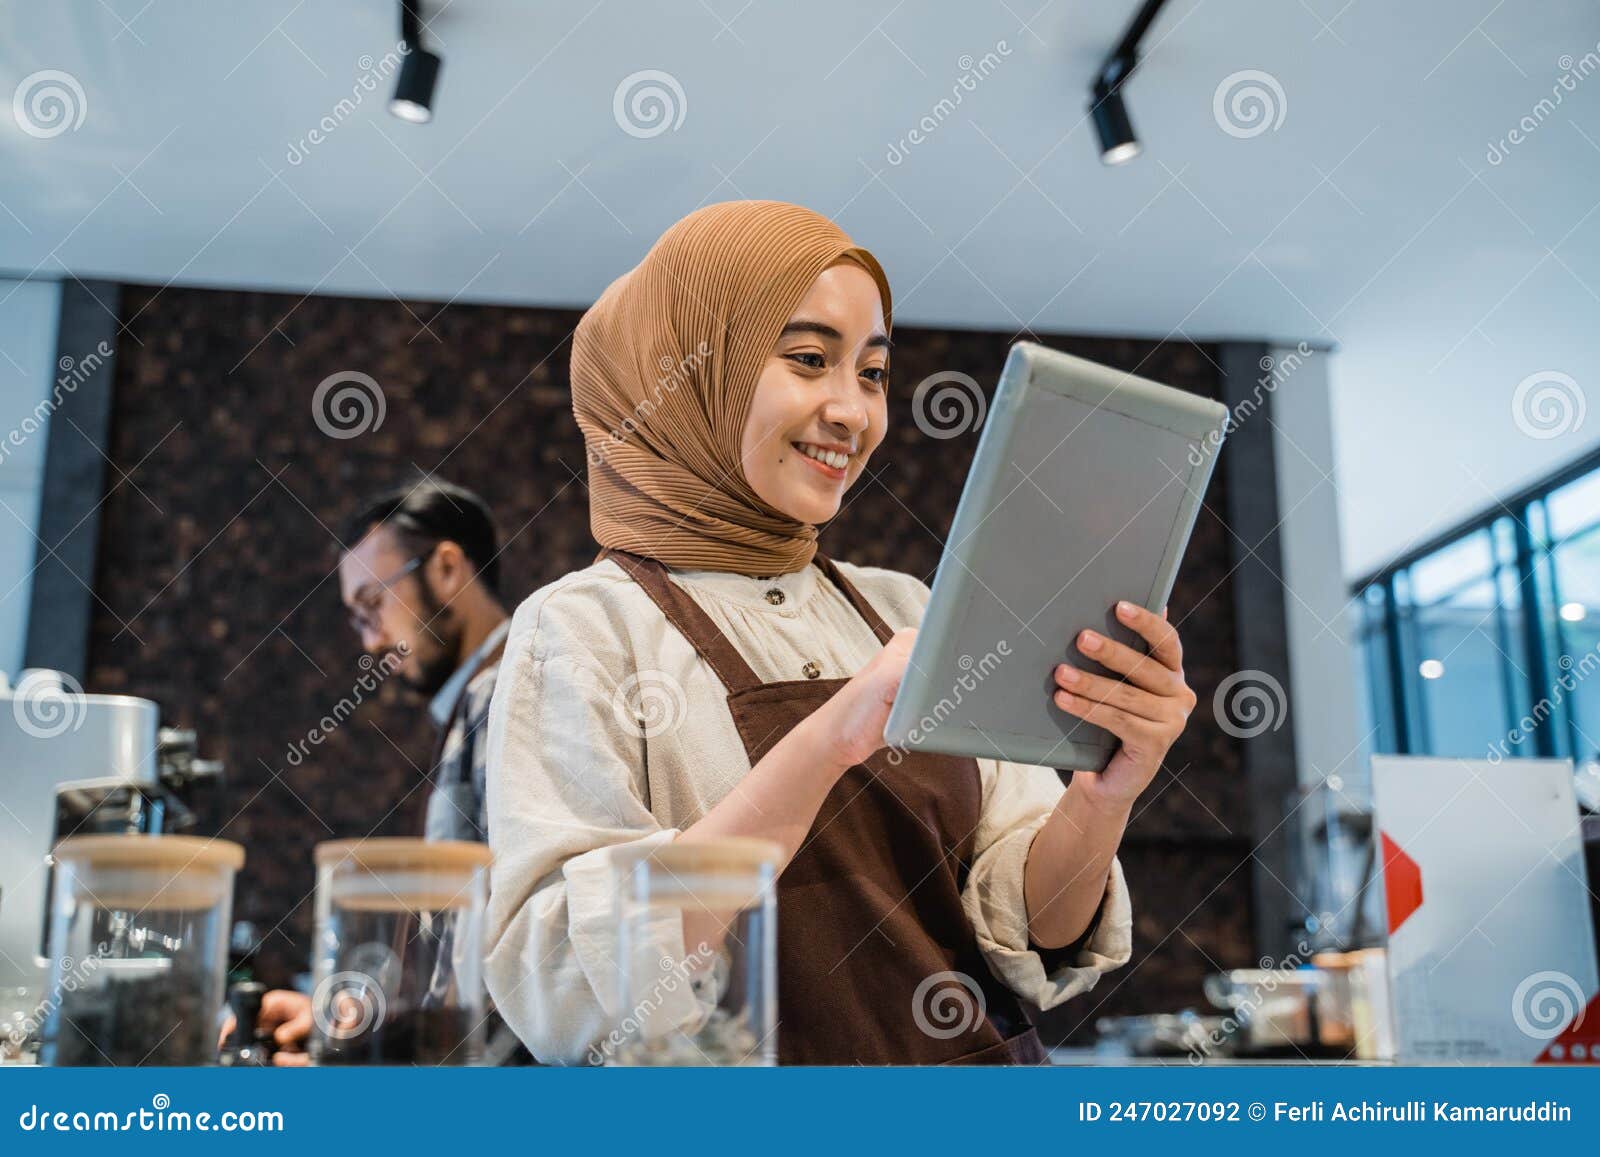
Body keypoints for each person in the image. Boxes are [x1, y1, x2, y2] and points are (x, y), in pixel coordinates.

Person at [484, 201, 1196, 1065]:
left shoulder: (906, 608)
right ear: (685, 372)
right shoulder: (584, 627)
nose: (852, 411)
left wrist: (1104, 793)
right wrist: (826, 741)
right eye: (810, 359)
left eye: (872, 373)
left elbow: (1034, 925)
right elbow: (563, 988)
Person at [247, 479, 530, 1064]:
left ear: (448, 568)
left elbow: (512, 969)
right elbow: (466, 955)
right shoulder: (483, 698)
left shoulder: (502, 694)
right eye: (358, 620)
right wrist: (356, 1025)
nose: (372, 642)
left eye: (373, 605)